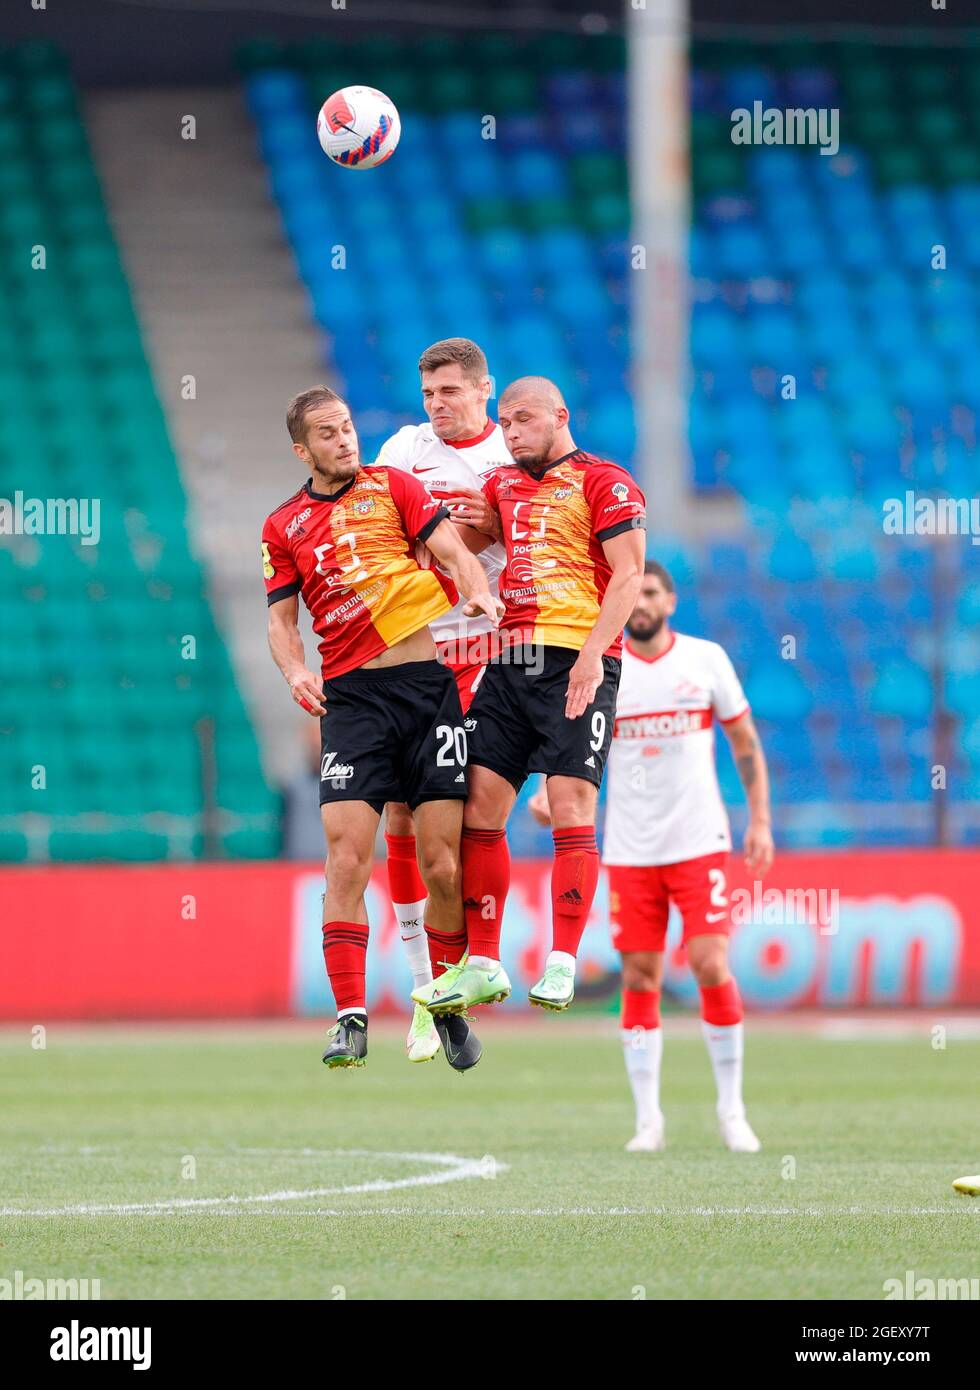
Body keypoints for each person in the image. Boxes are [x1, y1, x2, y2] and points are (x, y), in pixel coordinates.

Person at [262, 385, 501, 1070]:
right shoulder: (283, 527)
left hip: (429, 690)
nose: (345, 439)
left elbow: (452, 551)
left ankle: (447, 1006)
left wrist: (478, 588)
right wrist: (295, 672)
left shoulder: (393, 486)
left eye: (347, 426)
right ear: (302, 449)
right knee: (345, 858)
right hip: (353, 703)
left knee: (441, 864)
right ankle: (350, 1019)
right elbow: (281, 623)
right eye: (328, 434)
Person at [411, 376, 646, 1023]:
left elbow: (629, 574)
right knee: (477, 808)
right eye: (505, 424)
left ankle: (564, 959)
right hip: (509, 659)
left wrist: (596, 654)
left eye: (523, 421)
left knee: (570, 805)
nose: (511, 434)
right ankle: (484, 961)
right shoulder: (503, 486)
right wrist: (426, 535)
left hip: (577, 656)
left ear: (560, 416)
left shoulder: (606, 482)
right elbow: (465, 556)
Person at [532, 561, 774, 1152]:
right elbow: (575, 749)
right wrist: (548, 795)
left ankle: (731, 1110)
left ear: (670, 600)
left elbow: (744, 742)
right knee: (640, 976)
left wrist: (761, 820)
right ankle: (648, 1120)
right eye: (633, 593)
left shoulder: (705, 659)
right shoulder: (600, 668)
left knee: (711, 963)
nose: (641, 602)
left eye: (652, 592)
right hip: (631, 848)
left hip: (699, 842)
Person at [375, 338, 510, 1062]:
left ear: (483, 389)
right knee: (401, 815)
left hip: (493, 656)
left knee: (457, 839)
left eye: (451, 391)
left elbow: (539, 540)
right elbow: (375, 532)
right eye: (429, 393)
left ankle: (468, 969)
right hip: (419, 655)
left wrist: (487, 524)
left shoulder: (512, 455)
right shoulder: (403, 448)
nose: (437, 404)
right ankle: (424, 994)